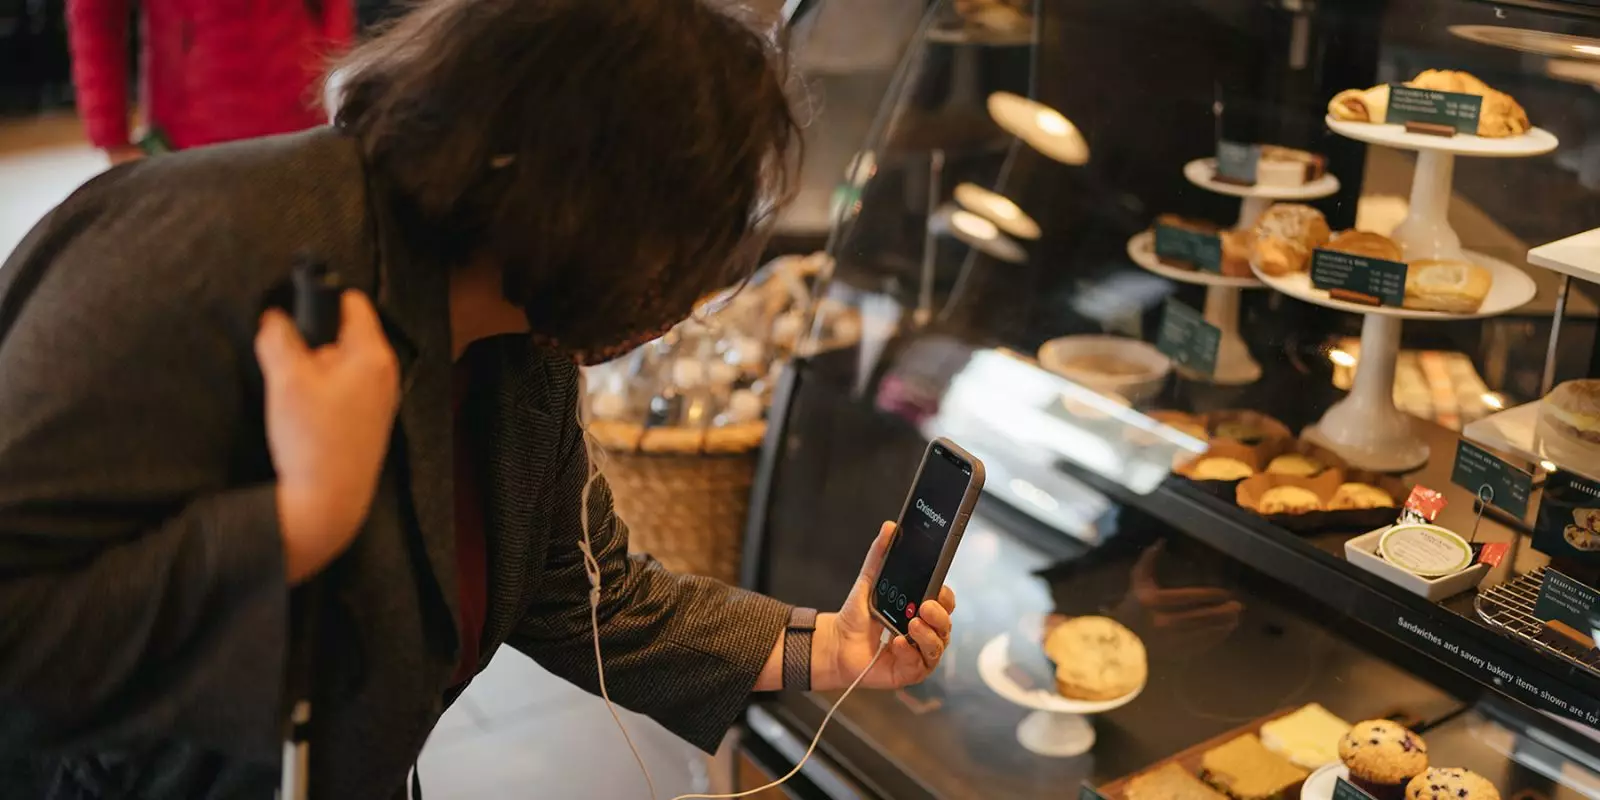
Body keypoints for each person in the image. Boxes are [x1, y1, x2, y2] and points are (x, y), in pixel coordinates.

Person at [0, 2, 957, 798]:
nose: (689, 298)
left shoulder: (514, 341)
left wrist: (825, 650)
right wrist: (296, 523)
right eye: (689, 242)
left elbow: (585, 595)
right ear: (588, 196)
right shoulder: (191, 253)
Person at [65, 0, 354, 164]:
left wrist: (332, 76)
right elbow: (96, 14)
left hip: (299, 125)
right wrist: (113, 140)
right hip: (188, 146)